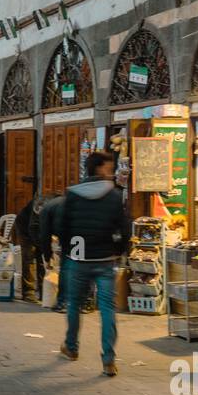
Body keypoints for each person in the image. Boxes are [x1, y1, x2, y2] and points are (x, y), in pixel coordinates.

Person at [58, 151, 130, 377]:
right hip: (105, 260)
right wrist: (119, 250)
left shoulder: (72, 194)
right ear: (99, 168)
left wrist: (68, 250)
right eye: (109, 167)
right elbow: (125, 228)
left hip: (78, 260)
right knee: (107, 309)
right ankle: (108, 359)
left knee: (74, 305)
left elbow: (63, 226)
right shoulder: (115, 196)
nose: (111, 171)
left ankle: (71, 347)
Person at [39, 194, 65, 312]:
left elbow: (44, 236)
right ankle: (85, 301)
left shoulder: (47, 209)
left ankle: (63, 302)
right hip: (80, 237)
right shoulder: (74, 202)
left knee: (66, 270)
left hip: (69, 237)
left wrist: (47, 257)